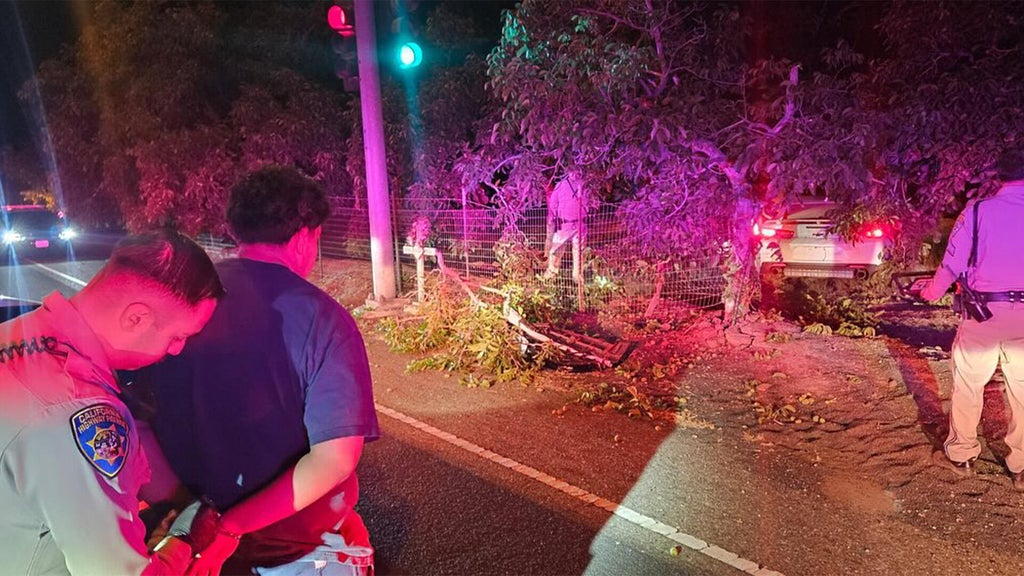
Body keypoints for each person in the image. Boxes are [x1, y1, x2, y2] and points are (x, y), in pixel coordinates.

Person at [130, 165, 381, 575]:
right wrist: (232, 527)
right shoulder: (324, 320)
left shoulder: (180, 302)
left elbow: (135, 425)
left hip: (187, 542)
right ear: (305, 236)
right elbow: (334, 459)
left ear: (236, 230)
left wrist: (189, 509)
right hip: (295, 552)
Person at [0, 229, 225, 574]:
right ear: (136, 318)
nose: (178, 349)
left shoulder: (16, 335)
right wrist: (185, 538)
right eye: (178, 336)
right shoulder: (80, 410)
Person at [921, 146, 1024, 490]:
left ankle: (962, 455)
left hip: (984, 316)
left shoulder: (978, 212)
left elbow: (952, 263)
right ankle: (1020, 467)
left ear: (999, 177)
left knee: (968, 385)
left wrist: (931, 292)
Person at [545, 169, 586, 277]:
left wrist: (556, 216)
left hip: (565, 223)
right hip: (580, 223)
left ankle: (551, 274)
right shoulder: (584, 184)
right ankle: (578, 279)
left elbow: (553, 204)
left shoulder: (560, 185)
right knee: (579, 253)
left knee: (556, 249)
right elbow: (590, 204)